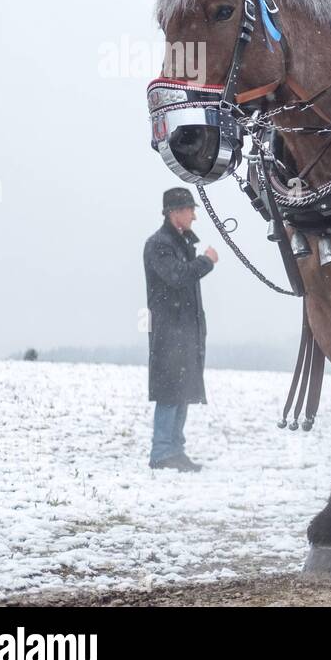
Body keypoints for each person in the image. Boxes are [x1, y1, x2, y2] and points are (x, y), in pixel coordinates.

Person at [144, 187, 218, 471]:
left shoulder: (177, 242)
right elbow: (177, 276)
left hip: (184, 331)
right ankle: (162, 452)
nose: (195, 216)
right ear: (175, 213)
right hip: (169, 331)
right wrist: (206, 261)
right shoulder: (159, 244)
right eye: (190, 210)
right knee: (170, 392)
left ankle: (175, 451)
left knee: (182, 390)